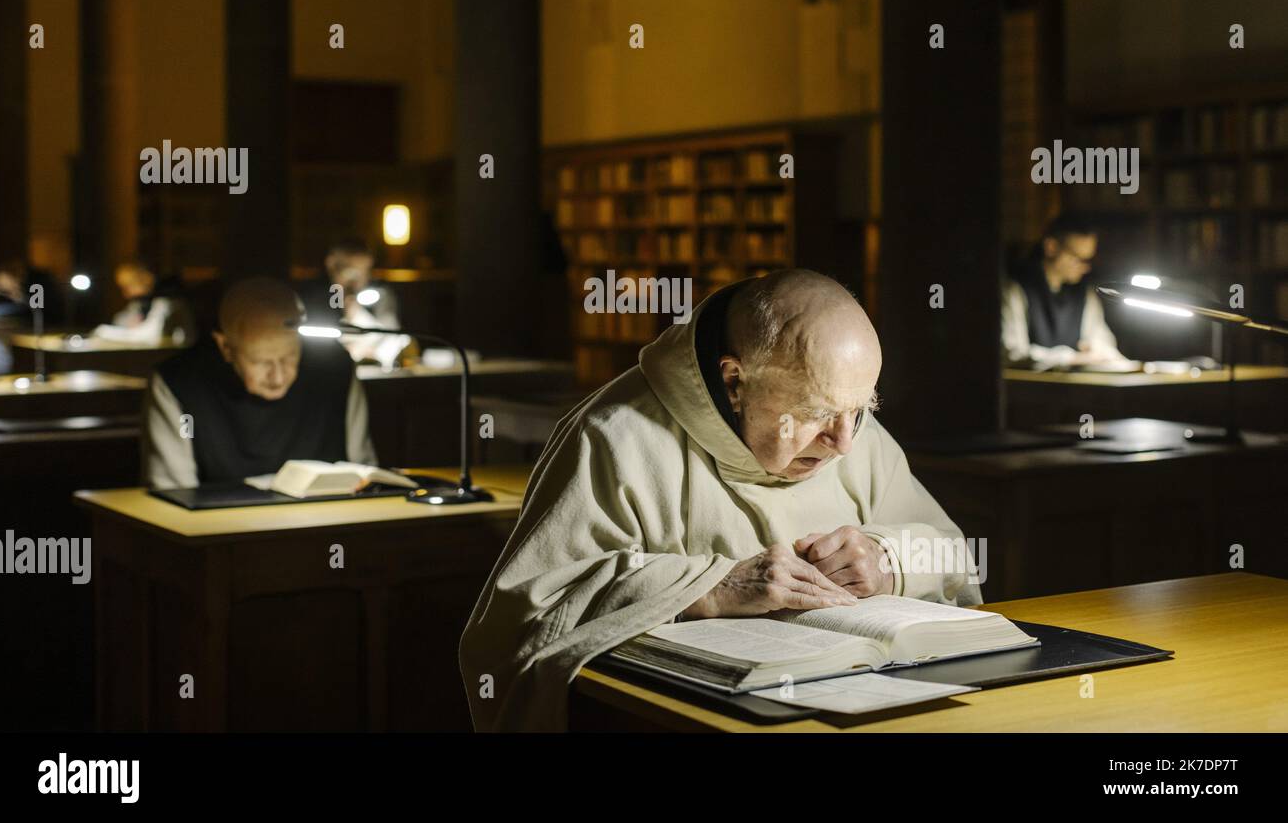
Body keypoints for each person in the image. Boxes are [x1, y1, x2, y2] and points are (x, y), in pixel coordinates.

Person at [459, 269, 981, 731]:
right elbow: (523, 626)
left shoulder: (854, 435)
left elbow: (956, 556)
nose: (844, 443)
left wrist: (889, 559)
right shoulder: (614, 437)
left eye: (862, 408)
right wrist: (711, 587)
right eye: (816, 412)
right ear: (734, 383)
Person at [142, 276, 376, 489]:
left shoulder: (335, 372)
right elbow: (174, 491)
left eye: (289, 357)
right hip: (219, 521)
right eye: (261, 362)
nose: (278, 377)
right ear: (226, 347)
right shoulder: (181, 384)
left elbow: (365, 473)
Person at [1000, 213, 1127, 368]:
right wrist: (1069, 358)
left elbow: (1102, 345)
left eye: (1088, 259)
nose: (1085, 267)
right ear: (1051, 247)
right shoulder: (1015, 289)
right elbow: (1012, 352)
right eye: (1077, 257)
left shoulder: (1084, 295)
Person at [304, 238, 409, 367]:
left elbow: (392, 339)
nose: (356, 280)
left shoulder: (380, 294)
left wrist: (357, 312)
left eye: (364, 272)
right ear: (331, 265)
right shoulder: (314, 298)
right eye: (350, 271)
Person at [91, 261, 196, 345]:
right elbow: (120, 322)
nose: (125, 294)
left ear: (145, 279)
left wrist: (104, 332)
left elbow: (151, 336)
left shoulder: (168, 301)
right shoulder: (141, 302)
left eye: (127, 287)